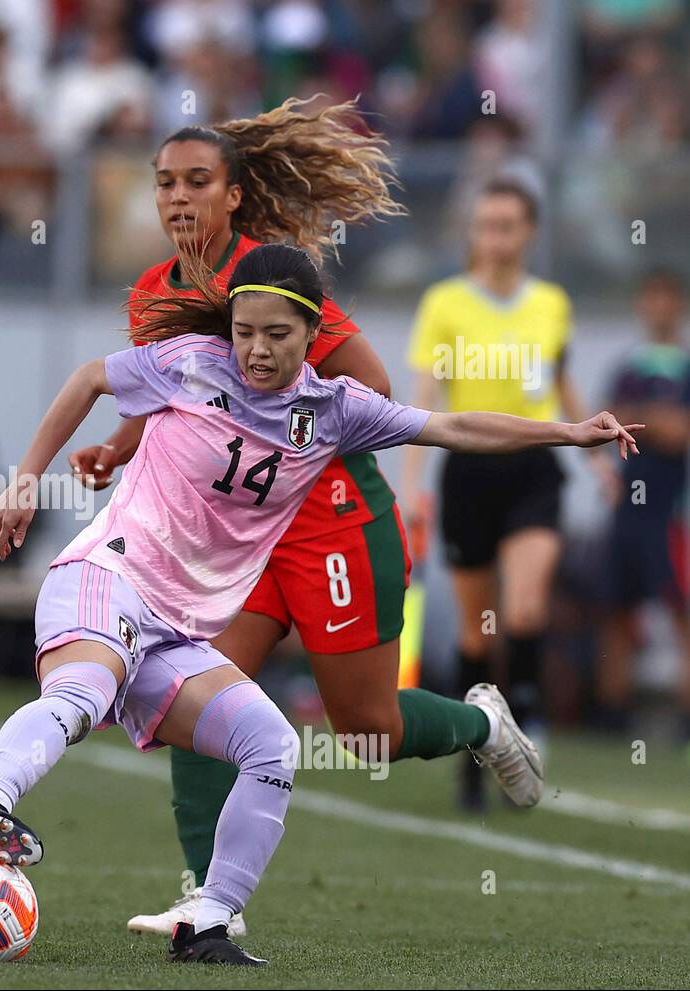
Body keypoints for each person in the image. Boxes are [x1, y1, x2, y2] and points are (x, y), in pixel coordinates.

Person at [0, 242, 639, 966]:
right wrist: (27, 478)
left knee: (272, 745)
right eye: (244, 332)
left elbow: (454, 426)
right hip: (106, 577)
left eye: (276, 335)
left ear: (312, 335)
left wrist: (569, 431)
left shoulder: (333, 411)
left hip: (175, 632)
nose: (256, 350)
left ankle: (208, 920)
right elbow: (89, 378)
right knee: (84, 687)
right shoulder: (189, 362)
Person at [70, 100, 519, 939]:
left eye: (197, 182)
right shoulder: (152, 293)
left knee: (367, 732)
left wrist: (288, 441)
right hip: (236, 535)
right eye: (164, 182)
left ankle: (480, 722)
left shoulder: (271, 274)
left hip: (328, 517)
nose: (177, 199)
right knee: (197, 703)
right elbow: (182, 398)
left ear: (234, 196)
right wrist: (119, 446)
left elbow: (372, 382)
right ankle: (208, 905)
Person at [401, 177, 602, 811]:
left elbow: (562, 382)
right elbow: (422, 401)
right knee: (474, 635)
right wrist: (412, 486)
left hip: (535, 466)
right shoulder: (445, 303)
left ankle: (533, 725)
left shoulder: (550, 302)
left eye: (507, 225)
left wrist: (596, 453)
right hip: (468, 470)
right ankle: (474, 757)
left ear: (528, 233)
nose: (494, 237)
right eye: (485, 225)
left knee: (523, 611)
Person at [594, 269, 690, 730]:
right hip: (627, 511)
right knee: (616, 608)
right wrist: (656, 421)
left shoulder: (685, 368)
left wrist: (644, 420)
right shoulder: (628, 368)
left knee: (679, 610)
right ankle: (612, 714)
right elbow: (604, 426)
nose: (657, 307)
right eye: (650, 298)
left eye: (666, 298)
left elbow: (678, 435)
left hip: (671, 512)